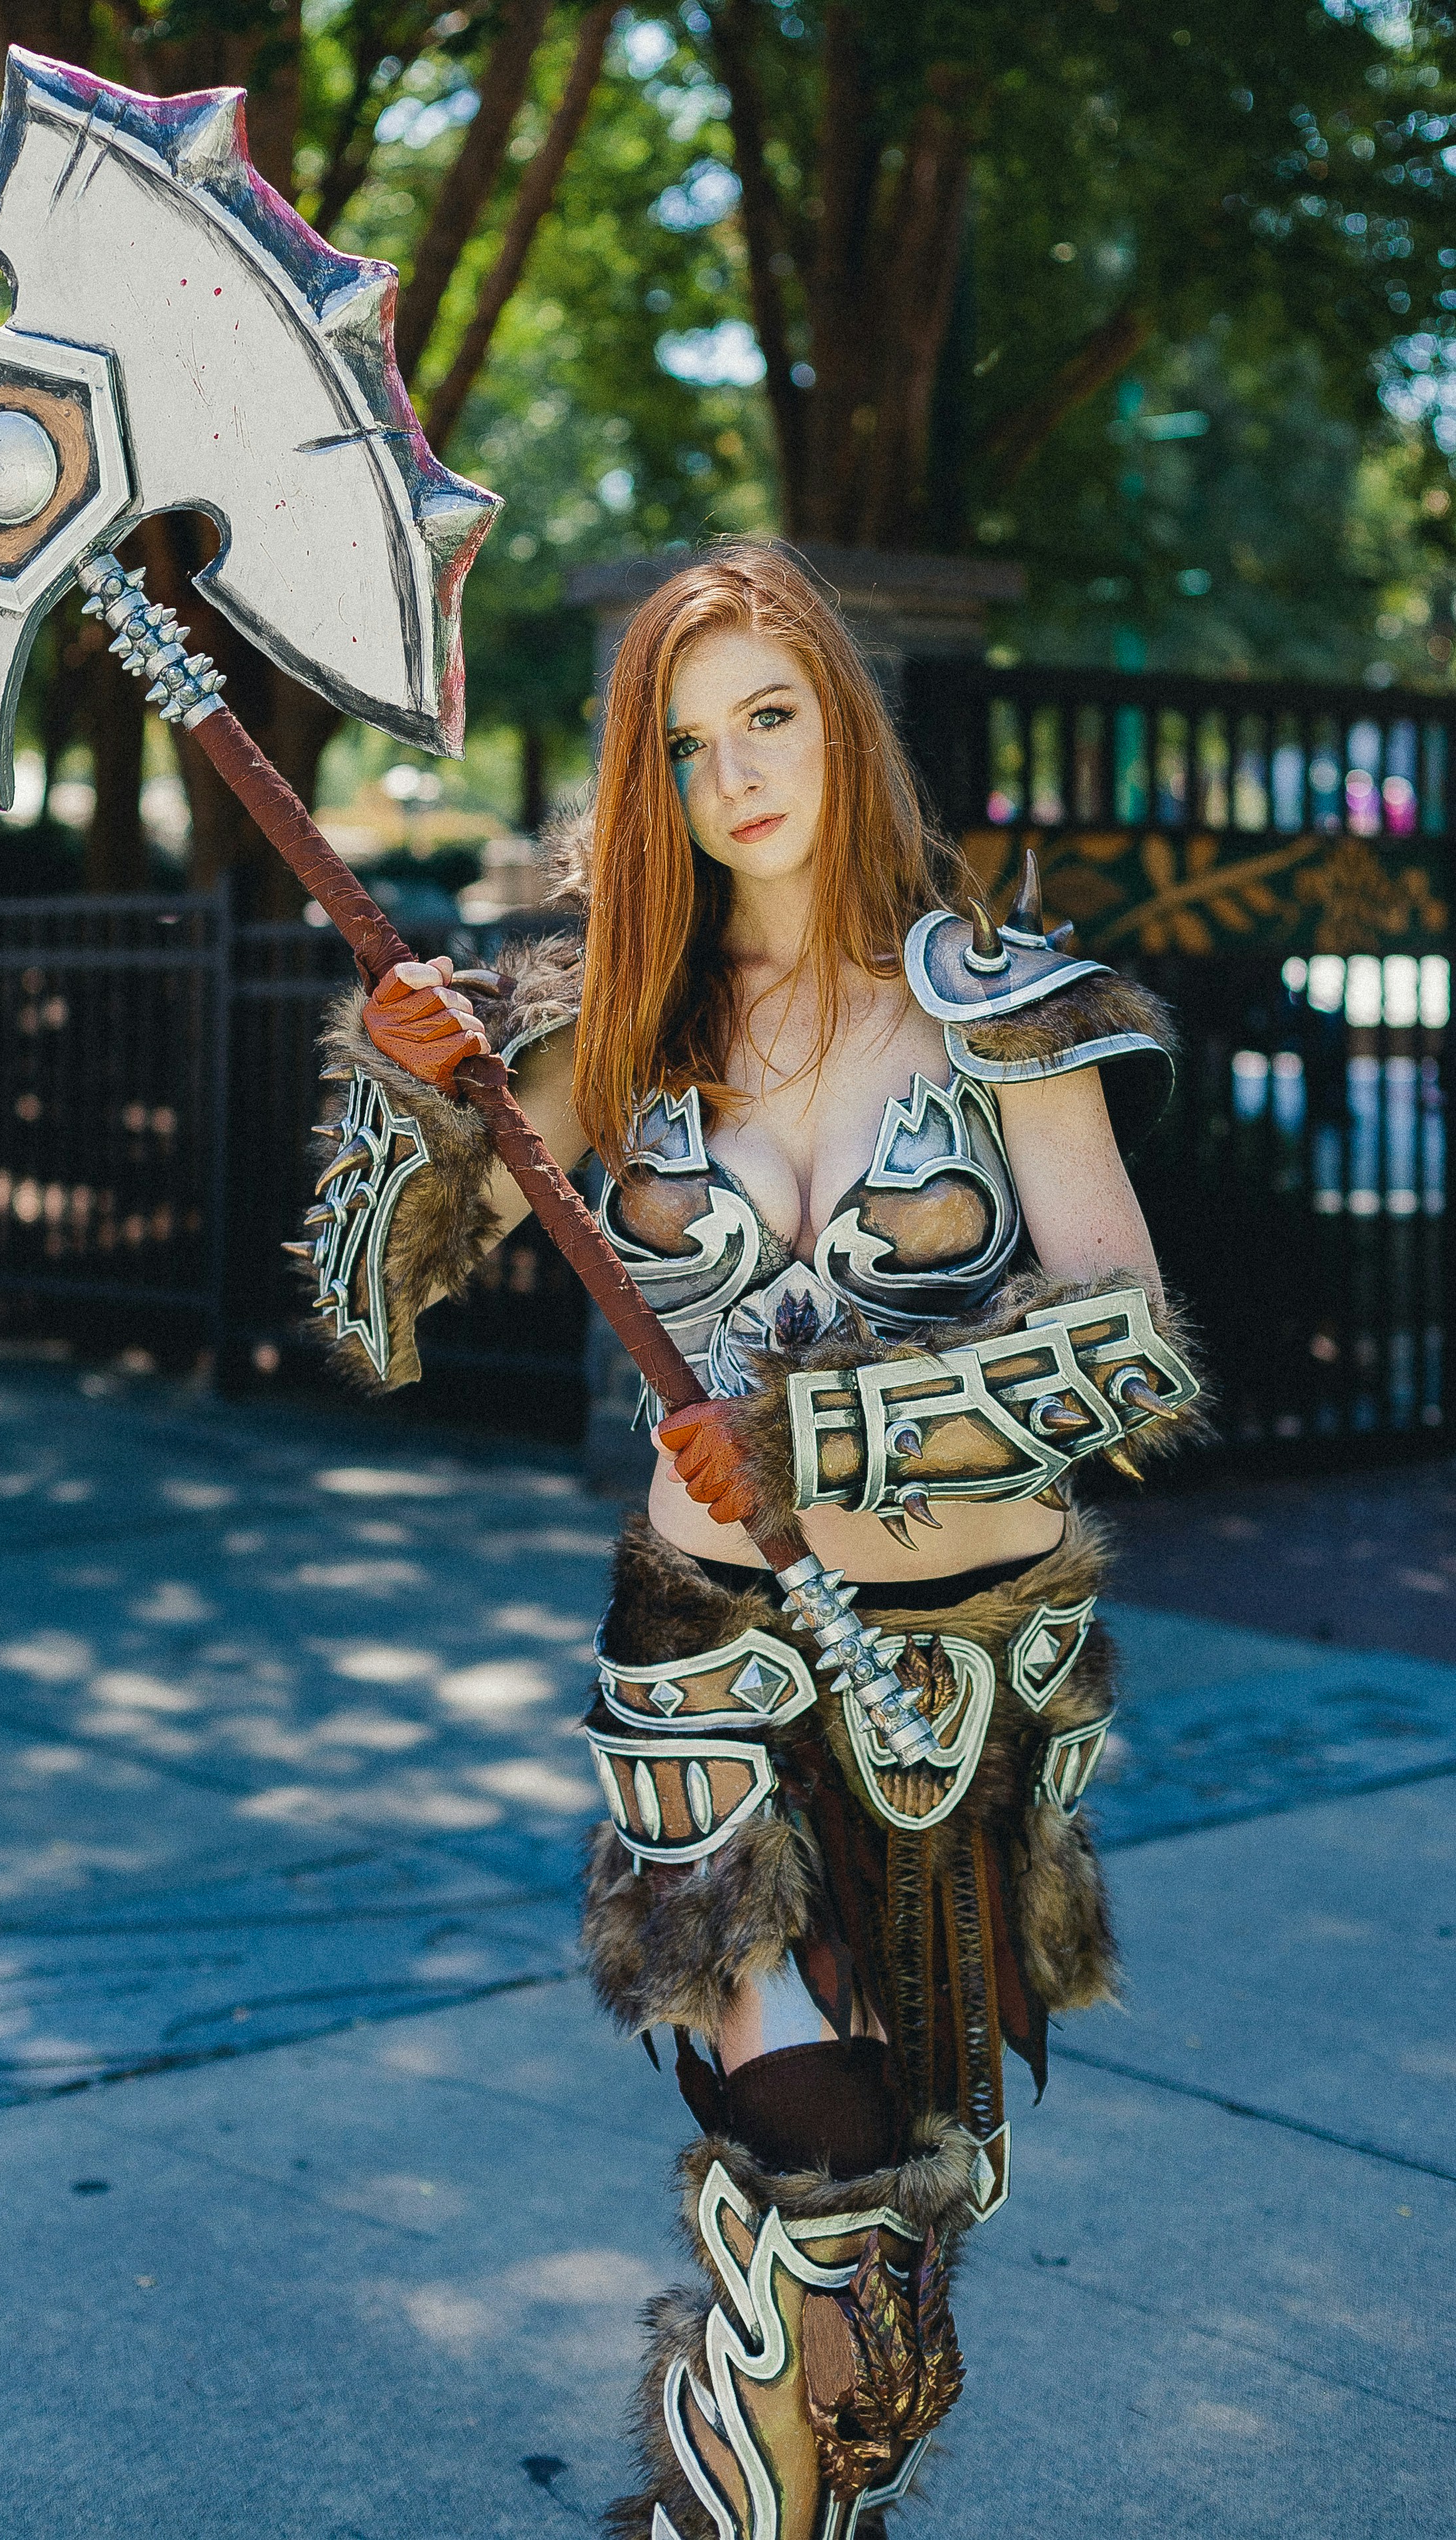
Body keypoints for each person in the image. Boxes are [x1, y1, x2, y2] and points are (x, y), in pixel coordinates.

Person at [297, 545, 1202, 2537]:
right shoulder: (592, 1026)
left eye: (766, 719)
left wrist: (826, 1432)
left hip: (962, 1686)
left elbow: (1127, 1357)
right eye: (686, 747)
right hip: (701, 1667)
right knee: (809, 2162)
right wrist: (403, 1096)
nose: (735, 777)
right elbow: (369, 1320)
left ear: (840, 724)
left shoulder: (999, 1010)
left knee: (905, 2245)